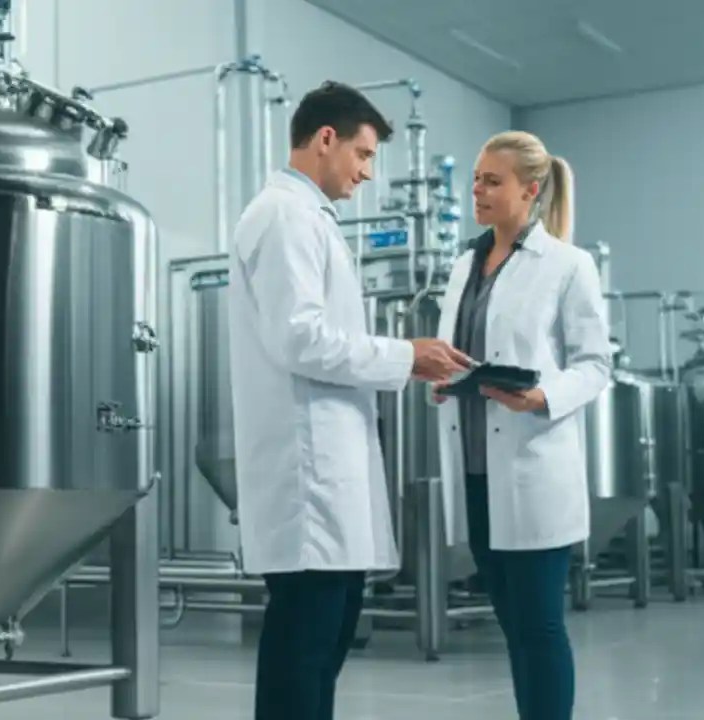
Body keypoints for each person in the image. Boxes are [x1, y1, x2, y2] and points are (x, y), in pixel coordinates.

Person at [227, 81, 472, 720]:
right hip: (305, 478)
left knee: (325, 645)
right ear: (325, 139)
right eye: (362, 155)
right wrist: (402, 356)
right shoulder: (283, 217)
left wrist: (405, 363)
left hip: (326, 472)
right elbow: (300, 339)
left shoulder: (309, 219)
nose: (366, 173)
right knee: (303, 651)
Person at [432, 130, 612, 720]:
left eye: (492, 181)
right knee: (511, 626)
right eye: (476, 179)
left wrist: (540, 396)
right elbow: (460, 346)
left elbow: (594, 365)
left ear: (530, 189)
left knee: (538, 627)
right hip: (476, 472)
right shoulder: (465, 263)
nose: (477, 191)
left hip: (533, 468)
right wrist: (443, 374)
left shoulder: (567, 264)